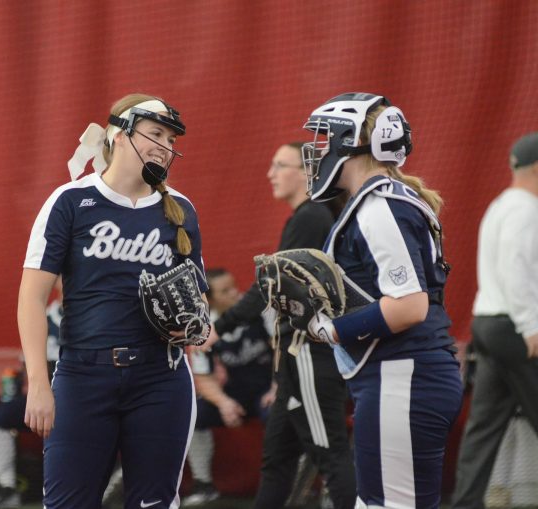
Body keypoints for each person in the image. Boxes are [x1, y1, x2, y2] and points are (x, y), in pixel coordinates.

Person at [19, 93, 208, 509]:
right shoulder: (69, 201)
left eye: (171, 139)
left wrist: (197, 324)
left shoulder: (181, 210)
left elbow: (199, 298)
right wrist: (37, 383)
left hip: (162, 376)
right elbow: (31, 298)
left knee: (154, 503)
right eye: (155, 132)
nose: (165, 145)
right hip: (83, 374)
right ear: (120, 134)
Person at [289, 92, 463, 508]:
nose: (319, 149)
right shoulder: (381, 200)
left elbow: (409, 305)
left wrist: (329, 329)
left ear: (351, 140)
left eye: (326, 137)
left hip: (403, 374)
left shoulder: (378, 206)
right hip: (404, 374)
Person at [203, 143, 355, 508]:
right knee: (276, 461)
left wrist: (219, 327)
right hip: (294, 358)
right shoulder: (311, 217)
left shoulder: (310, 217)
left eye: (279, 165)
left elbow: (270, 286)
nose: (270, 173)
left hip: (311, 353)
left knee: (330, 454)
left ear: (306, 173)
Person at [451, 131, 538, 509]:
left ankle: (466, 502)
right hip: (512, 327)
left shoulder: (500, 205)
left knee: (483, 429)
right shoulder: (525, 210)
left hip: (488, 324)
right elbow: (515, 269)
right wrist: (531, 325)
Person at [182, 268, 275, 506]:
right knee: (192, 416)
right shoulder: (203, 328)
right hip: (238, 393)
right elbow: (202, 378)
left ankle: (287, 486)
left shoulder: (258, 309)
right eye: (226, 291)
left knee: (280, 414)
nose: (236, 293)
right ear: (210, 299)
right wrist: (223, 402)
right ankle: (204, 485)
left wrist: (278, 387)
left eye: (234, 286)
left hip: (270, 388)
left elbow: (284, 351)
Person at [0, 282, 63, 508]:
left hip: (85, 396)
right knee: (0, 417)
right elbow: (29, 368)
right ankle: (7, 488)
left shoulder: (94, 315)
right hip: (48, 393)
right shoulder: (44, 316)